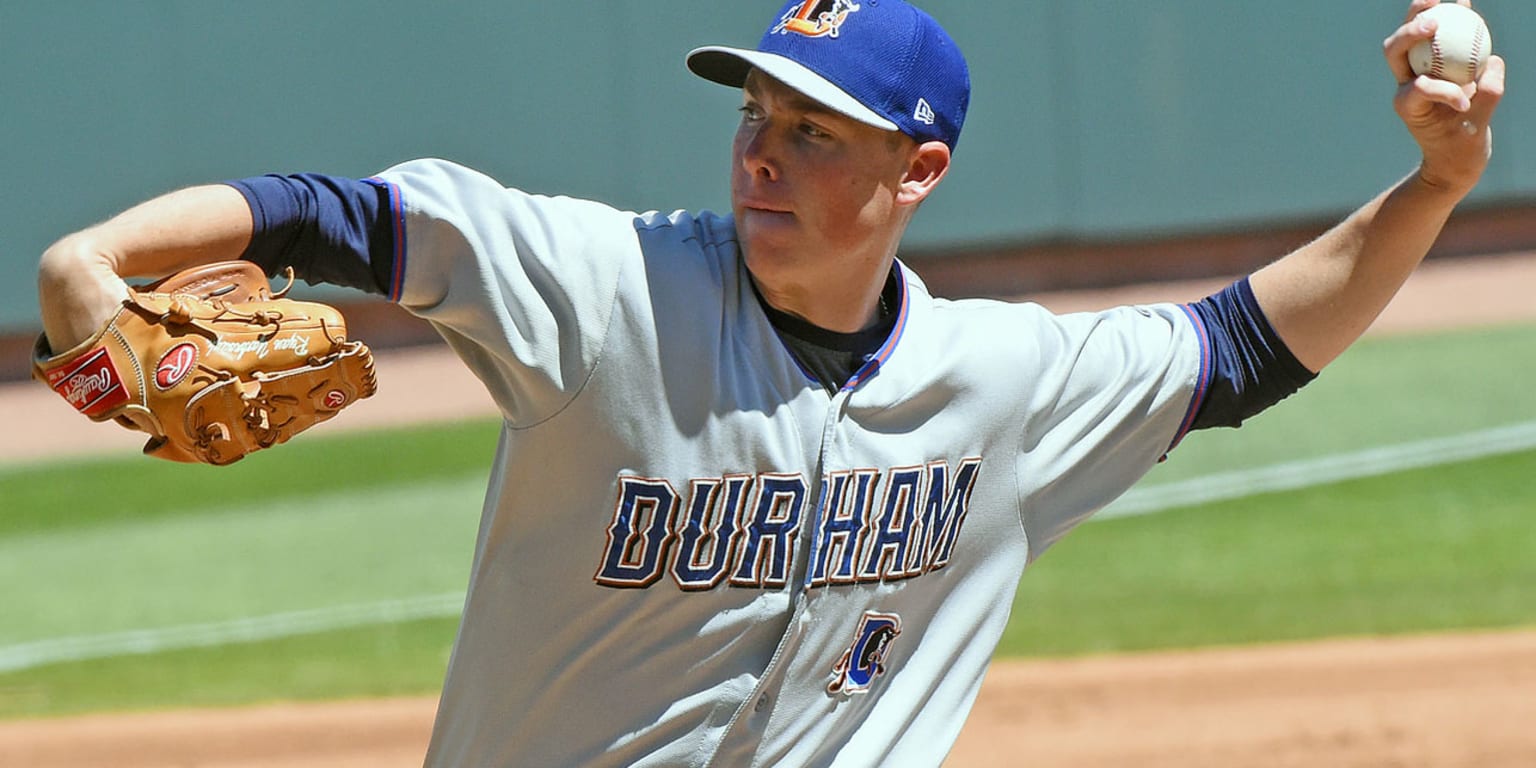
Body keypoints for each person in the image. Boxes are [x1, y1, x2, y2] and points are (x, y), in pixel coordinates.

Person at [34, 1, 1504, 765]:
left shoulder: (996, 382)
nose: (761, 154)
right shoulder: (609, 289)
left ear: (919, 169)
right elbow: (334, 214)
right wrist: (94, 262)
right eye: (756, 115)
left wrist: (1435, 189)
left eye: (817, 133)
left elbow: (1240, 349)